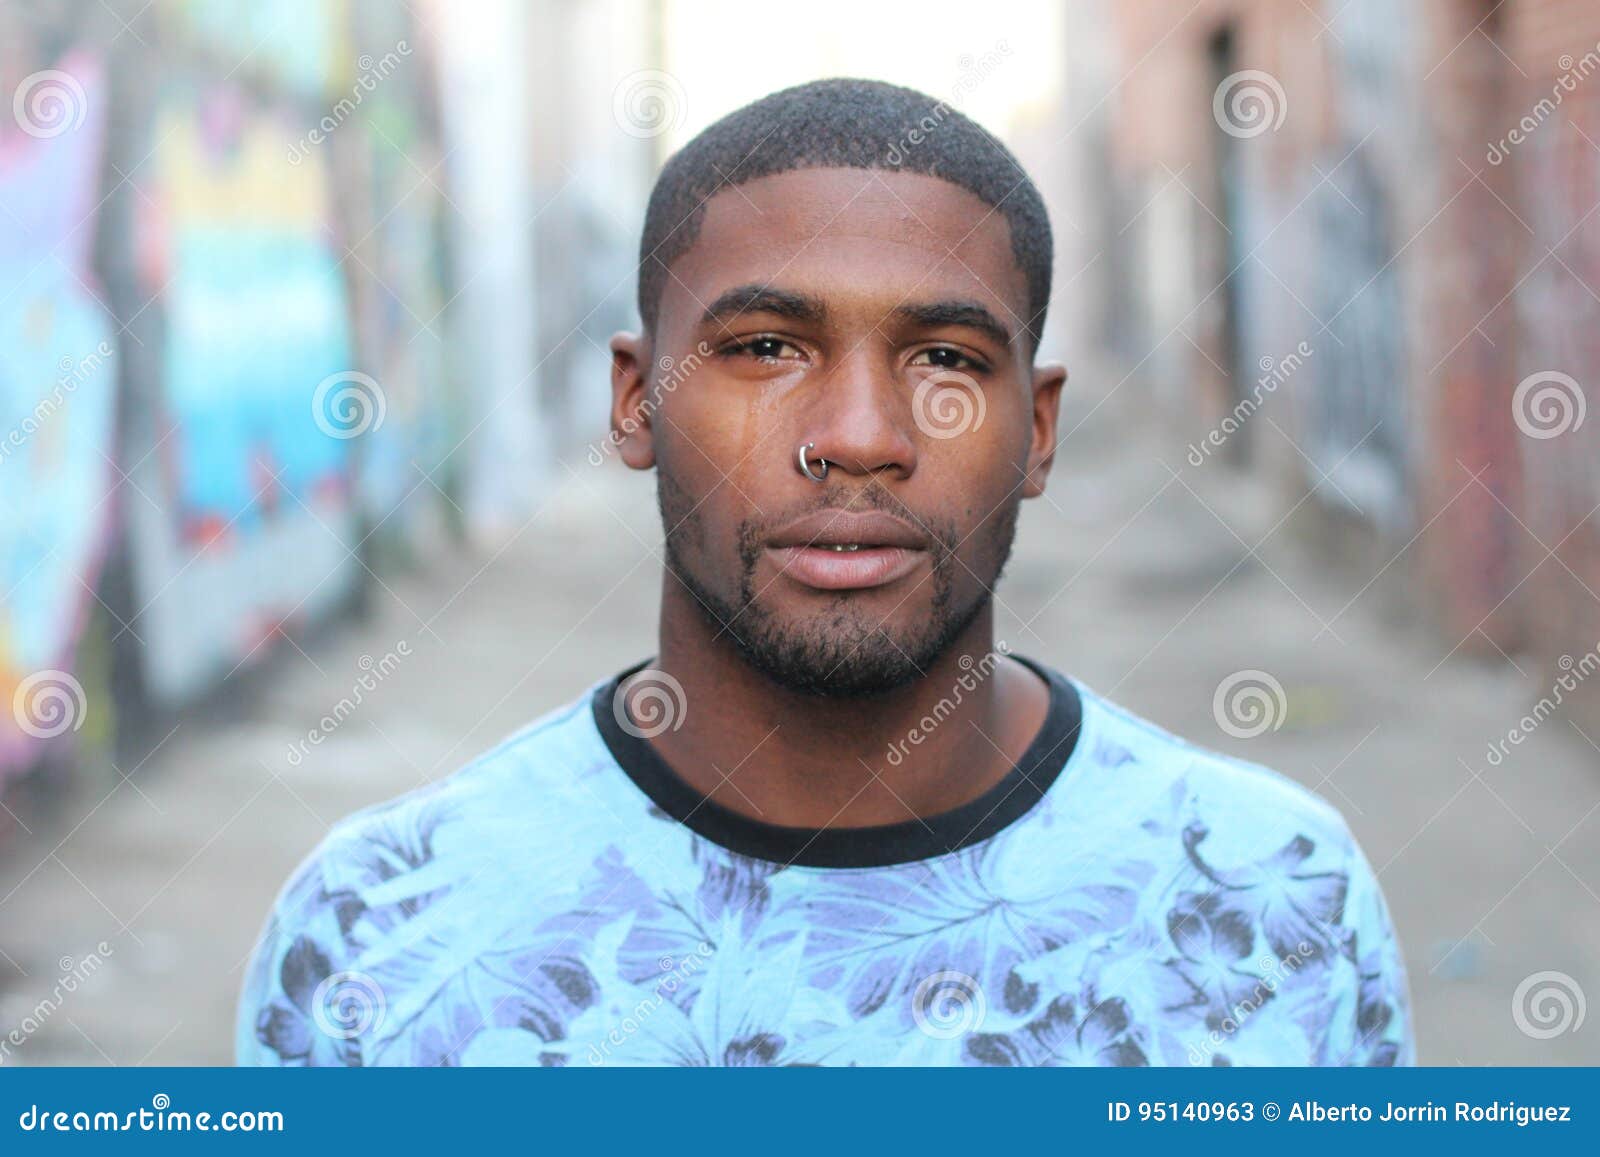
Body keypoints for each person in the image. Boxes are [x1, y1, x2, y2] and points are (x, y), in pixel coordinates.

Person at [238, 78, 1412, 1067]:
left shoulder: (1276, 902)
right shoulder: (377, 933)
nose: (858, 433)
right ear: (635, 400)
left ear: (1038, 430)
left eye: (945, 357)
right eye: (762, 349)